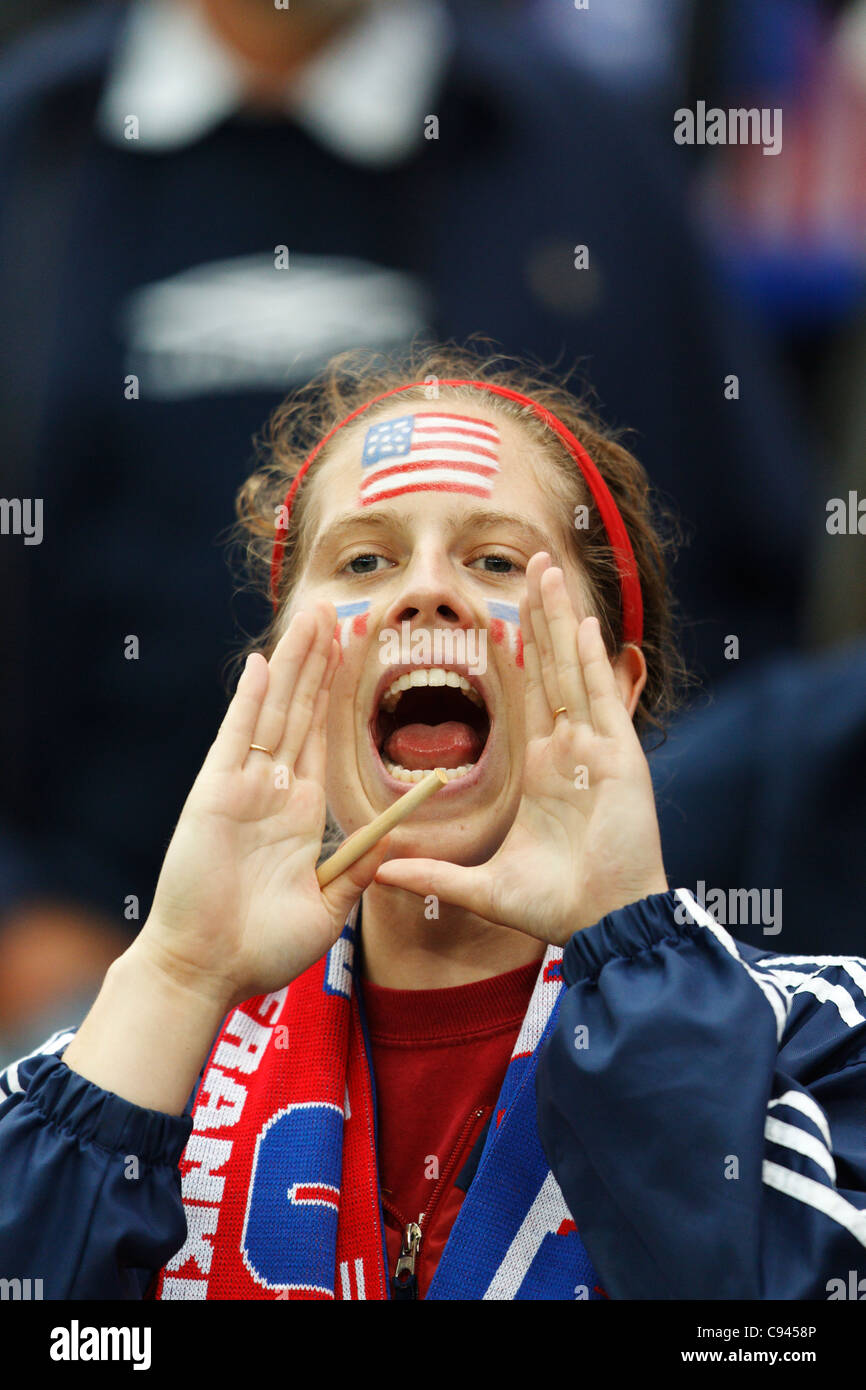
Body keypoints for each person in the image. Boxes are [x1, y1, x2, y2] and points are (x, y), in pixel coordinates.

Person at [0, 346, 863, 1301]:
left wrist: (632, 955)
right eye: (365, 560)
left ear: (613, 692)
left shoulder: (821, 1046)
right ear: (291, 674)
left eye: (495, 558)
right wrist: (175, 975)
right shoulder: (125, 1059)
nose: (425, 591)